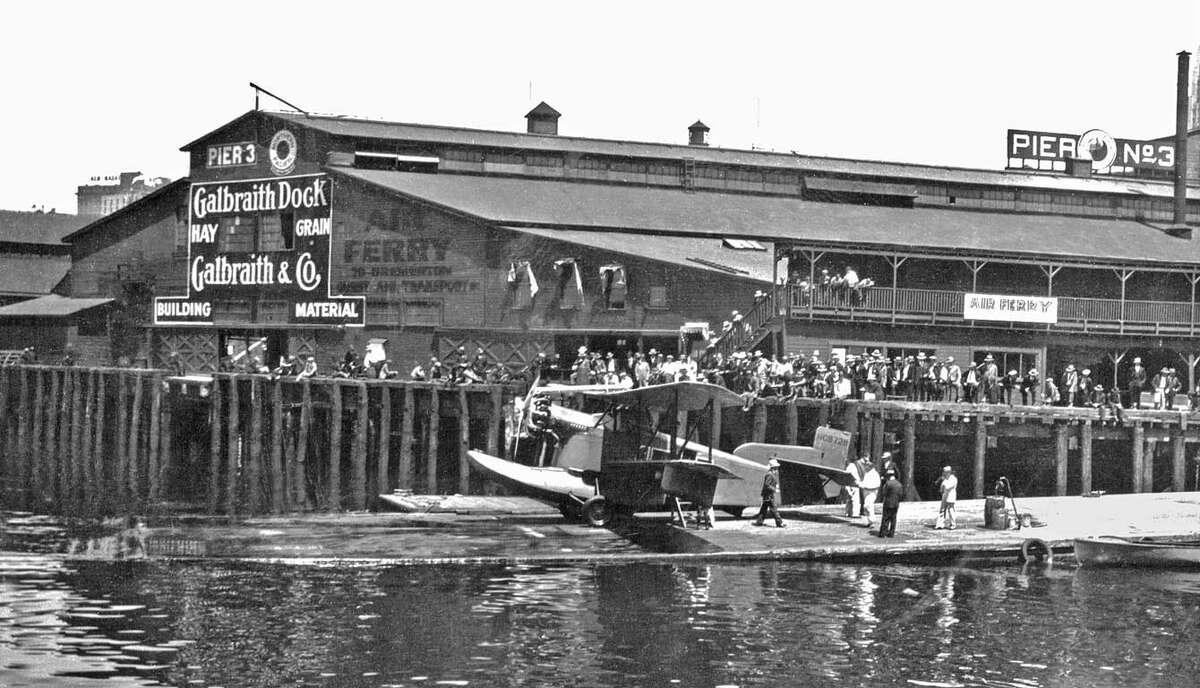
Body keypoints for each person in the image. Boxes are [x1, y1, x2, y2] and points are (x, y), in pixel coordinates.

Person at [753, 459, 785, 528]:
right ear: (773, 468)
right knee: (774, 509)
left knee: (764, 509)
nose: (777, 469)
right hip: (769, 495)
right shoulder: (769, 475)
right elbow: (767, 485)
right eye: (776, 468)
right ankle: (779, 523)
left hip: (767, 495)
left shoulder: (770, 474)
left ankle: (759, 522)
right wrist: (774, 489)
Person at [878, 468, 903, 538]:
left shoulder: (888, 483)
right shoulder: (899, 484)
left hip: (888, 503)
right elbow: (901, 495)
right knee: (893, 519)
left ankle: (883, 533)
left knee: (885, 519)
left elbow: (884, 493)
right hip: (895, 504)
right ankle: (891, 533)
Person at [858, 457, 881, 528]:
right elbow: (864, 482)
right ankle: (869, 521)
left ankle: (872, 520)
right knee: (866, 506)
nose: (865, 468)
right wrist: (860, 484)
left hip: (872, 492)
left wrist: (866, 486)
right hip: (866, 491)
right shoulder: (867, 474)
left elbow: (877, 484)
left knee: (868, 505)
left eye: (866, 467)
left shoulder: (875, 474)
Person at [935, 465, 958, 530]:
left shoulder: (953, 479)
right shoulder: (945, 479)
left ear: (948, 472)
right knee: (942, 510)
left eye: (944, 472)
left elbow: (948, 486)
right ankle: (940, 524)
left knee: (951, 510)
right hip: (945, 495)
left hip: (950, 496)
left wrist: (943, 482)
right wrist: (941, 490)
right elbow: (942, 488)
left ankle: (953, 524)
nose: (943, 473)